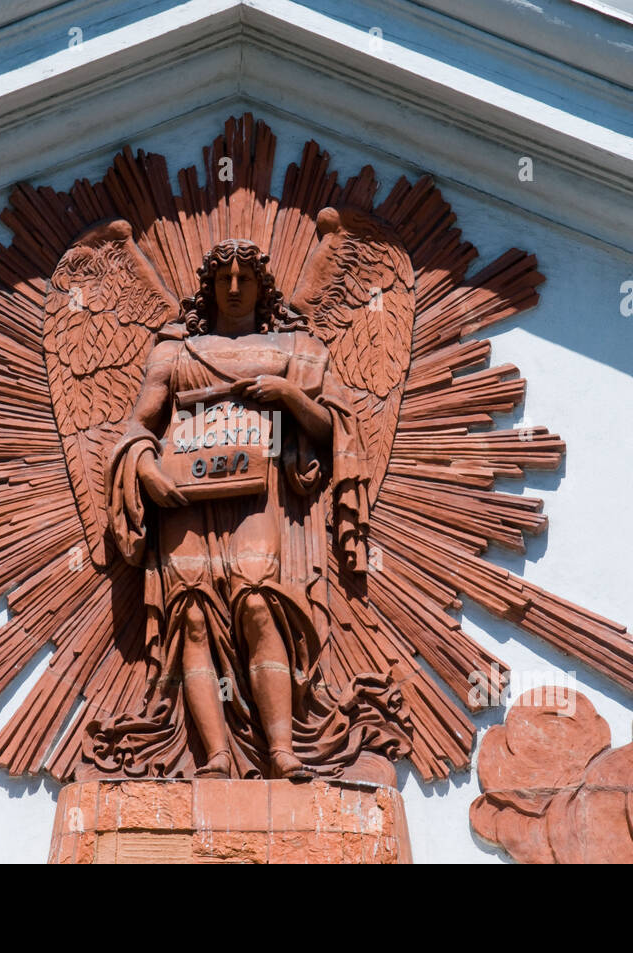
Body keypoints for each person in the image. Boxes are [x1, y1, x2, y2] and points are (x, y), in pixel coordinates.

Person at [86, 238, 404, 780]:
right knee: (190, 614)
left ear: (262, 286)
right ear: (208, 288)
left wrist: (290, 396)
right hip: (184, 497)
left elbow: (334, 430)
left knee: (259, 601)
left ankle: (280, 748)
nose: (234, 288)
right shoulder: (174, 354)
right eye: (223, 279)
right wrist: (144, 467)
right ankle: (214, 756)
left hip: (263, 496)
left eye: (245, 278)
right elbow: (139, 424)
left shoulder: (296, 350)